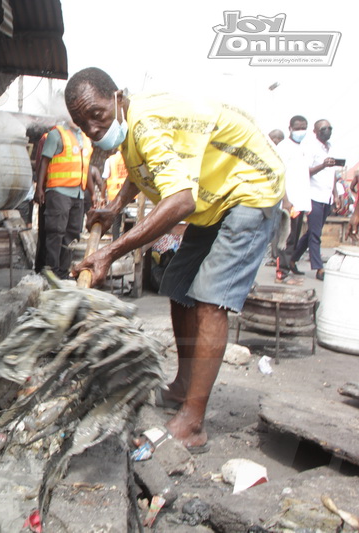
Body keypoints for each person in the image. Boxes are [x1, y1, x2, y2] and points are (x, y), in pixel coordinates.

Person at [65, 67, 284, 452]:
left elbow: (180, 199)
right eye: (83, 125)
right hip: (214, 199)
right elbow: (142, 169)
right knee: (179, 287)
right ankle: (184, 386)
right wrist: (115, 206)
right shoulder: (131, 126)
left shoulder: (146, 122)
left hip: (250, 187)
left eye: (97, 115)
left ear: (117, 97)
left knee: (210, 300)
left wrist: (111, 252)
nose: (94, 130)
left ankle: (193, 422)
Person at [34, 120, 94, 279]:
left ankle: (63, 272)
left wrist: (92, 193)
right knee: (56, 232)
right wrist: (39, 188)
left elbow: (85, 167)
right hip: (59, 192)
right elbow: (44, 162)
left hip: (78, 194)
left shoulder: (86, 138)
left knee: (72, 233)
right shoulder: (56, 134)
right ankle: (51, 272)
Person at [290, 119, 338, 281]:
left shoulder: (330, 147)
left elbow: (333, 176)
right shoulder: (310, 148)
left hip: (327, 197)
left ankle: (292, 258)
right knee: (315, 234)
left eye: (329, 128)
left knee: (311, 232)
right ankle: (319, 267)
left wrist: (336, 195)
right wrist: (323, 166)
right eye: (324, 128)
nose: (327, 131)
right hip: (313, 196)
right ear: (315, 131)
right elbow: (305, 172)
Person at [274, 115, 311, 284]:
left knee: (294, 238)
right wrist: (286, 200)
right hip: (289, 201)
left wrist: (307, 203)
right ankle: (282, 274)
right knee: (286, 238)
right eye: (297, 127)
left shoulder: (303, 148)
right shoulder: (284, 147)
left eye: (304, 127)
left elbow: (303, 178)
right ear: (290, 128)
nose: (300, 131)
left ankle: (288, 270)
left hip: (301, 201)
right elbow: (279, 175)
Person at [101, 151, 129, 239]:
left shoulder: (110, 160)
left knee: (116, 222)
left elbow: (105, 179)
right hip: (130, 195)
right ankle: (128, 242)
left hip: (115, 195)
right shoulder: (131, 158)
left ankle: (115, 241)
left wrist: (102, 196)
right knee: (129, 220)